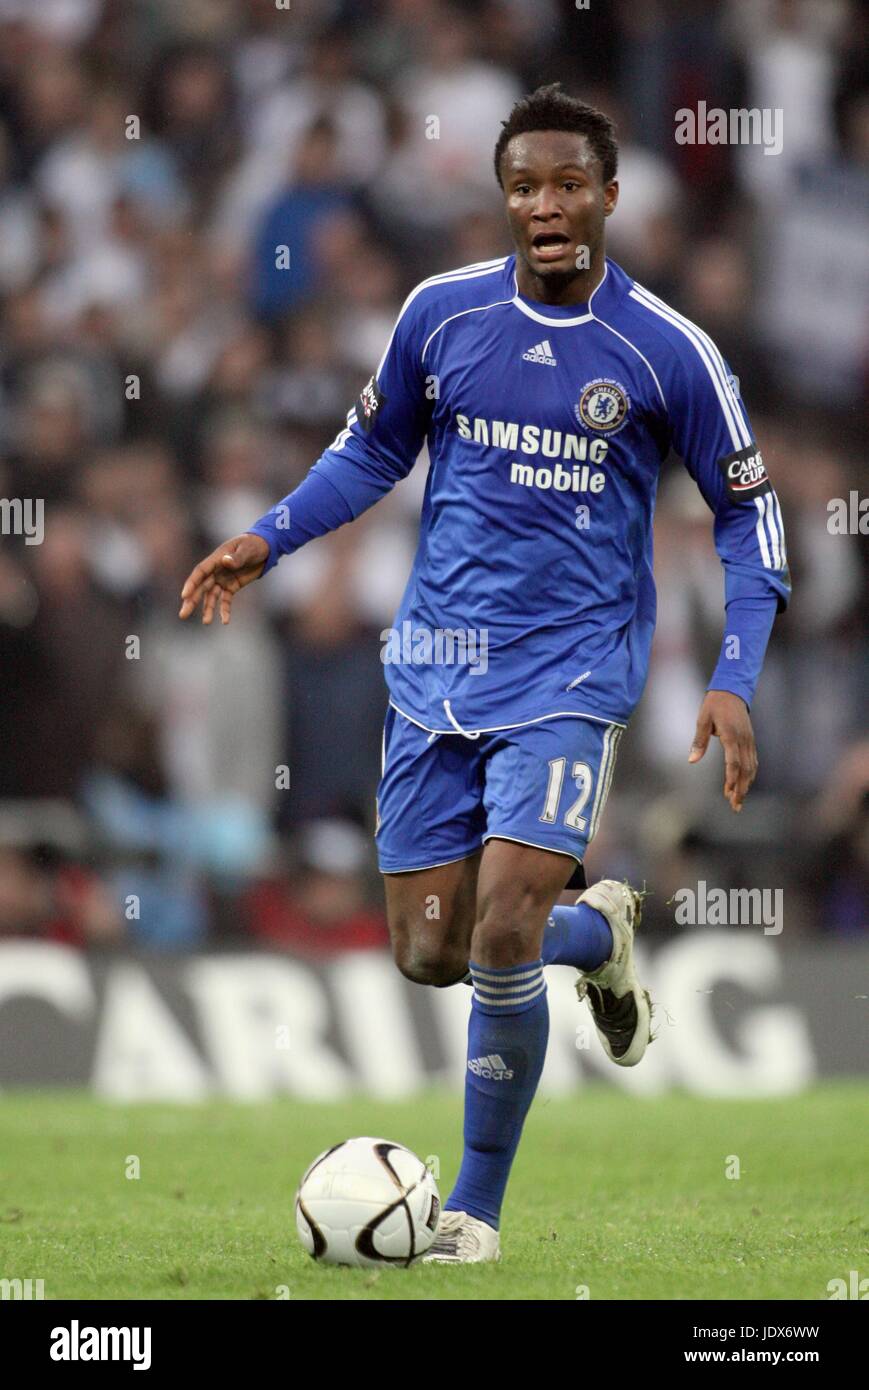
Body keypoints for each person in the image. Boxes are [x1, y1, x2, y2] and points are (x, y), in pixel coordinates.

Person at [179, 86, 790, 1263]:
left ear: (608, 197)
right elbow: (373, 447)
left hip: (571, 674)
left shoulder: (666, 351)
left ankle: (476, 1214)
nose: (544, 207)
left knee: (503, 927)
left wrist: (733, 673)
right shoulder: (439, 314)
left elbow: (746, 519)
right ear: (501, 198)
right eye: (523, 188)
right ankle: (595, 938)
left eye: (567, 186)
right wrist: (272, 533)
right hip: (432, 667)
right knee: (429, 952)